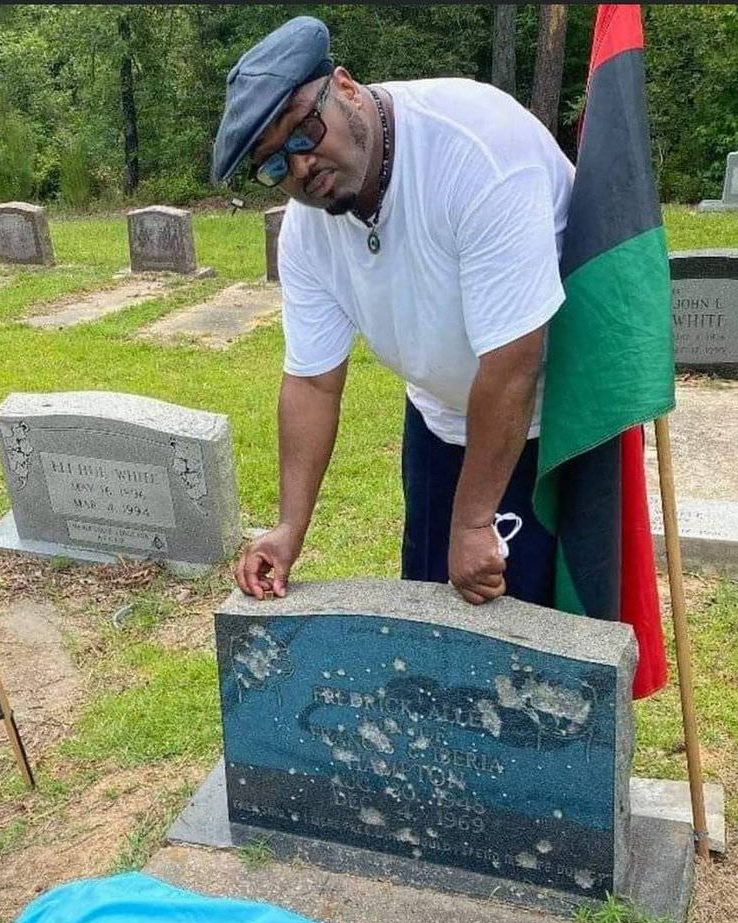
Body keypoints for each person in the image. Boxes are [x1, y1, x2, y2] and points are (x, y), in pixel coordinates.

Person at [211, 16, 574, 607]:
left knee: (546, 635)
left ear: (346, 88)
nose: (300, 168)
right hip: (438, 421)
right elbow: (311, 381)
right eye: (275, 164)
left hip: (558, 427)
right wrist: (288, 526)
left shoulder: (477, 150)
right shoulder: (307, 232)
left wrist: (475, 522)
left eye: (303, 131)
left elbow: (514, 361)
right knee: (431, 615)